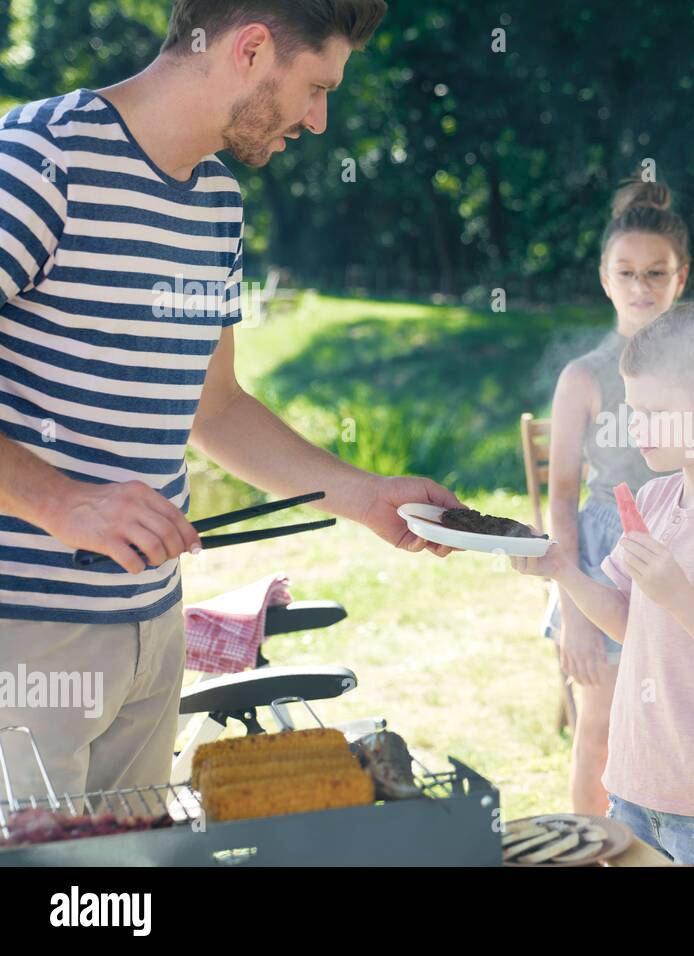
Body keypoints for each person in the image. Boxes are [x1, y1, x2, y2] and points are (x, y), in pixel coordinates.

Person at [0, 0, 462, 802]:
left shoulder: (215, 200)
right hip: (27, 637)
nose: (318, 121)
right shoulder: (42, 160)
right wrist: (63, 502)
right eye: (316, 87)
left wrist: (364, 495)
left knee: (123, 894)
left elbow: (214, 408)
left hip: (151, 629)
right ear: (251, 48)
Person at [514, 301, 694, 866]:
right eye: (631, 410)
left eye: (651, 412)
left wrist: (680, 595)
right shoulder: (656, 498)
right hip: (634, 784)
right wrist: (561, 570)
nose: (632, 427)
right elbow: (628, 620)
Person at [542, 179, 689, 815]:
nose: (641, 286)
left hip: (681, 558)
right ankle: (587, 853)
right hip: (603, 558)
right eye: (626, 272)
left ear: (681, 279)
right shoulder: (583, 377)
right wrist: (574, 606)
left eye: (656, 273)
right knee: (598, 728)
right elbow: (562, 502)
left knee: (674, 733)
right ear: (605, 278)